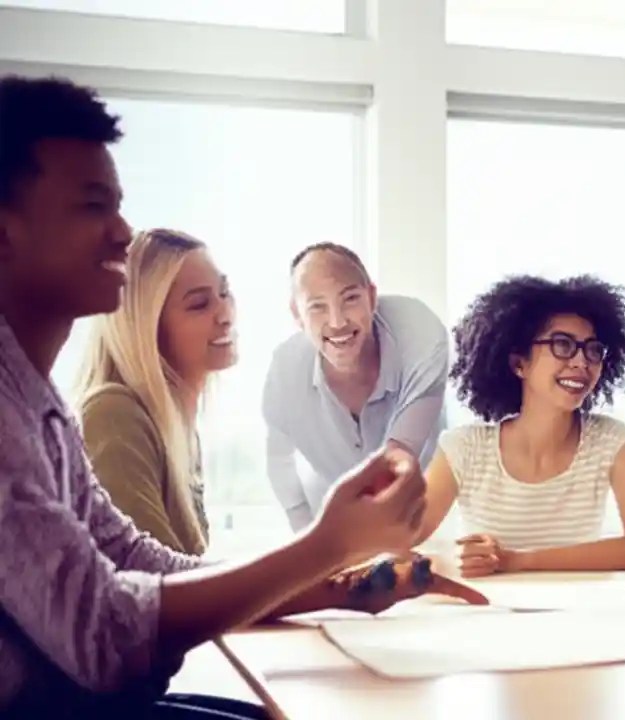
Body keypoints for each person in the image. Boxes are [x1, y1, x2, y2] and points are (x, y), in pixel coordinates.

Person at [0, 74, 477, 718]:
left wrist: (339, 584)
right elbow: (106, 633)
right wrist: (327, 547)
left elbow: (147, 565)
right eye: (93, 206)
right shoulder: (39, 416)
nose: (123, 232)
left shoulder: (40, 405)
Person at [413, 275, 625, 577]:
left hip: (580, 614)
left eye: (593, 349)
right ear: (520, 363)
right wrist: (447, 560)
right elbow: (394, 547)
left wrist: (518, 561)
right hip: (488, 617)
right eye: (563, 345)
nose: (582, 362)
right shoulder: (464, 448)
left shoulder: (612, 441)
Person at [262, 243, 449, 531]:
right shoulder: (285, 370)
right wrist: (307, 537)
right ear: (296, 314)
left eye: (350, 299)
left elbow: (398, 458)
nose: (337, 322)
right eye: (317, 307)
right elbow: (279, 459)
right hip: (332, 515)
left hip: (425, 511)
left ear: (372, 297)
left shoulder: (420, 333)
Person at [74, 229, 232, 555]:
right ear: (147, 328)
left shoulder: (179, 429)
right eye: (200, 304)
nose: (225, 313)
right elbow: (154, 582)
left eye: (225, 292)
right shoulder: (113, 413)